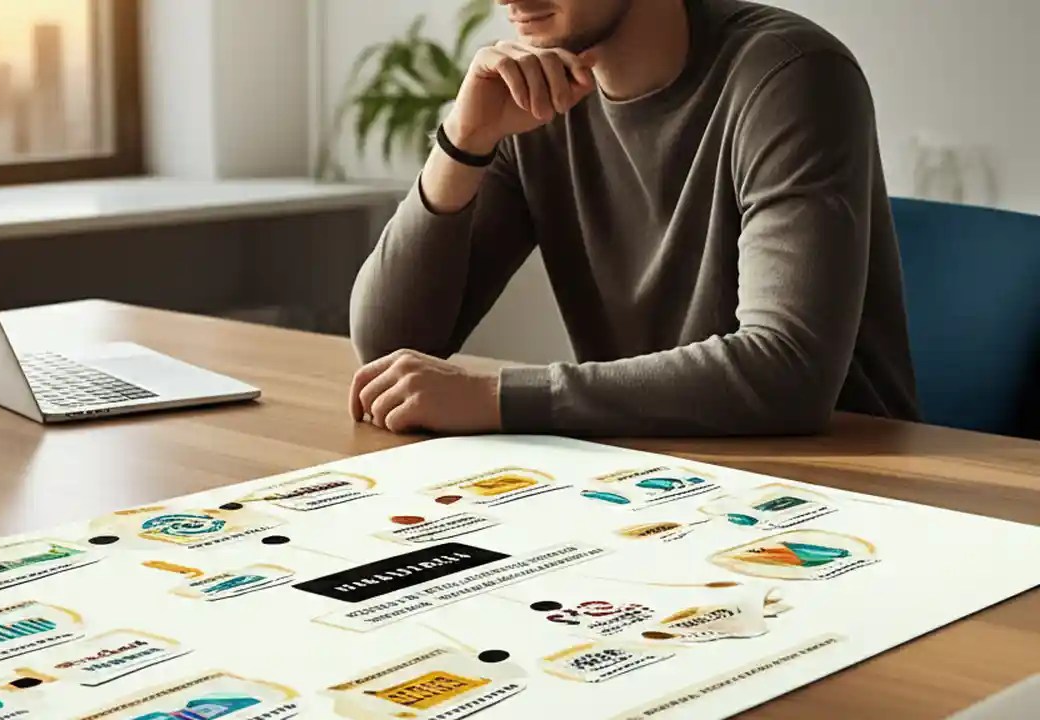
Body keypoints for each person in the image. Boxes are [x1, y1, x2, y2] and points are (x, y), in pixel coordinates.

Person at [347, 0, 920, 436]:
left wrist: (498, 397)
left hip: (844, 491)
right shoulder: (534, 102)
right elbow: (390, 348)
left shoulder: (790, 75)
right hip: (650, 475)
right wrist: (463, 140)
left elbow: (788, 372)